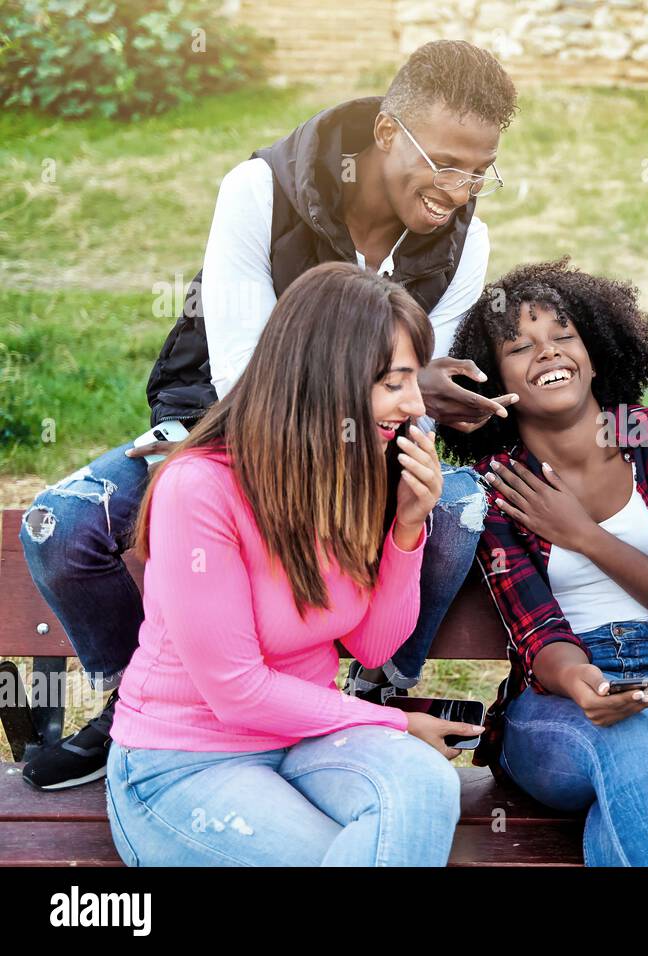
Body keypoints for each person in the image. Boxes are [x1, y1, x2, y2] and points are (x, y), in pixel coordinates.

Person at [21, 40, 519, 790]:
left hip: (362, 454)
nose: (461, 189)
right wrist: (385, 383)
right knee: (61, 527)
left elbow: (408, 385)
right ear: (388, 132)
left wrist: (443, 399)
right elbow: (240, 373)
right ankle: (141, 700)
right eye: (447, 163)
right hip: (225, 437)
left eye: (481, 170)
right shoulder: (262, 190)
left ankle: (371, 696)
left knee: (455, 509)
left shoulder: (464, 242)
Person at [105, 262, 484, 866]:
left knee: (425, 788)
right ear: (325, 382)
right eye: (394, 382)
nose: (415, 403)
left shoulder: (353, 466)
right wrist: (395, 723)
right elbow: (236, 691)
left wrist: (408, 527)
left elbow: (373, 646)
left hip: (307, 742)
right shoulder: (199, 488)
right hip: (183, 762)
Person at [439, 260, 648, 866]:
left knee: (639, 788)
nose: (547, 354)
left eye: (563, 336)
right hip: (556, 697)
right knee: (629, 734)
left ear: (596, 353)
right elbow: (537, 631)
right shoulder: (497, 486)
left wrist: (584, 536)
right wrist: (588, 685)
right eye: (519, 346)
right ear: (497, 379)